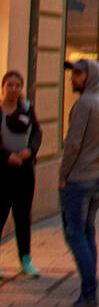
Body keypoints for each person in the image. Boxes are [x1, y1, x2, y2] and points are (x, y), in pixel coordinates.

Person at [59, 59, 99, 307]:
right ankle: (90, 290)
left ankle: (89, 292)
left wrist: (63, 174)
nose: (73, 78)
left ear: (89, 76)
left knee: (74, 233)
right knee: (88, 231)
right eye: (73, 73)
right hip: (97, 177)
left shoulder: (83, 104)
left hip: (78, 178)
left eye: (78, 74)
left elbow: (73, 144)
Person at [0, 70, 42, 279]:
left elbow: (37, 133)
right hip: (3, 171)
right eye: (10, 85)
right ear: (3, 87)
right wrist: (7, 155)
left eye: (18, 85)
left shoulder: (27, 109)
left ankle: (25, 260)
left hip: (24, 171)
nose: (14, 89)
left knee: (23, 217)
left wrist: (30, 151)